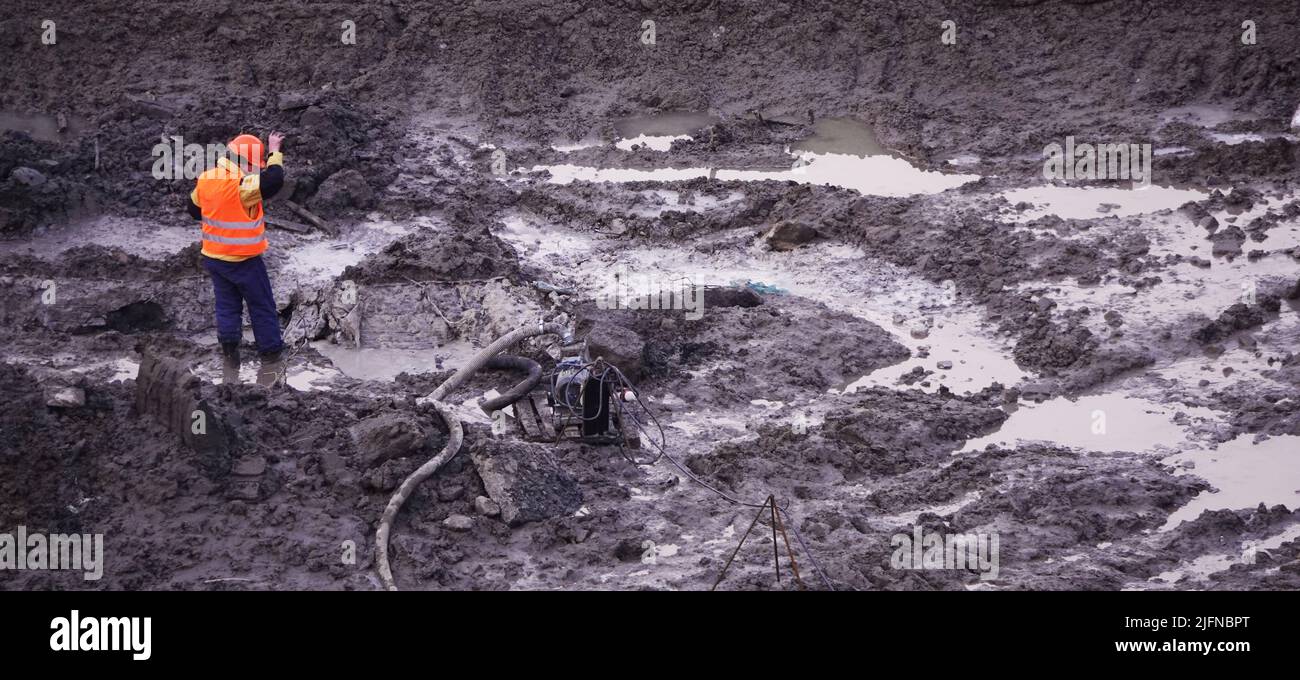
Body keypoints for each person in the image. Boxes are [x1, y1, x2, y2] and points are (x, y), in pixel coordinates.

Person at [187, 132, 286, 386]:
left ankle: (230, 356)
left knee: (227, 307)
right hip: (244, 260)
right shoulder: (243, 184)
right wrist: (275, 150)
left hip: (214, 258)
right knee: (261, 306)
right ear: (246, 161)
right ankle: (271, 357)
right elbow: (274, 180)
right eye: (257, 164)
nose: (259, 170)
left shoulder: (206, 178)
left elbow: (194, 210)